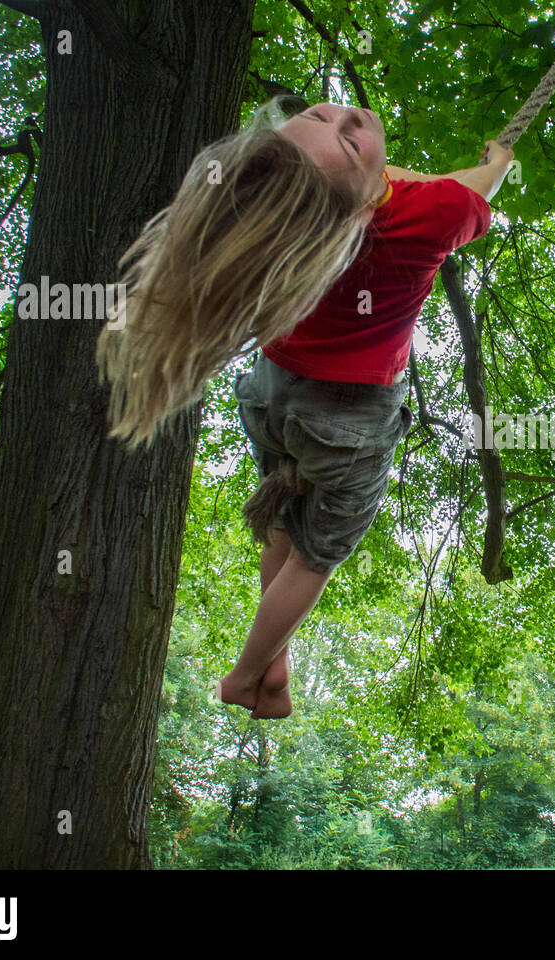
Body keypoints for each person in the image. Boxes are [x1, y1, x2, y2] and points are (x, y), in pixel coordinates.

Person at [95, 95, 515, 719]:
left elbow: (380, 183)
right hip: (347, 418)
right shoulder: (434, 214)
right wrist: (499, 158)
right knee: (316, 554)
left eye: (326, 120)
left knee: (287, 520)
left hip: (273, 394)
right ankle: (242, 676)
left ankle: (274, 662)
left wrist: (361, 166)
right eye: (340, 138)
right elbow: (479, 187)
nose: (341, 117)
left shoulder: (272, 225)